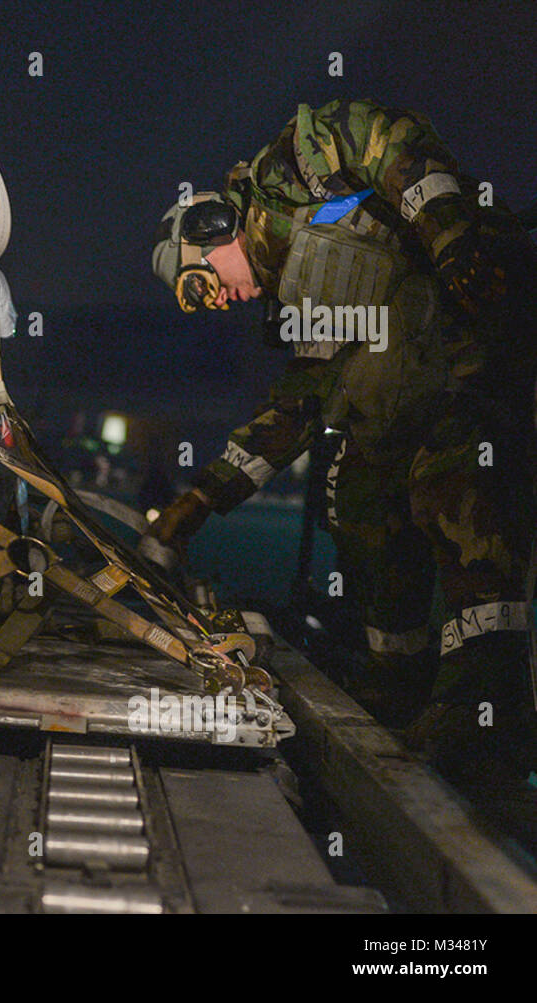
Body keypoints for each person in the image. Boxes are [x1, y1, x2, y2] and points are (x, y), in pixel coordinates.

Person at [146, 98, 537, 789]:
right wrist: (199, 503)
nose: (218, 302)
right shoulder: (300, 296)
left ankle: (482, 707)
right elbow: (298, 405)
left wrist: (450, 242)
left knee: (452, 483)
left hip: (479, 351)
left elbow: (391, 142)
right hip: (415, 388)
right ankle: (402, 683)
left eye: (202, 283)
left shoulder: (290, 171)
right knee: (357, 495)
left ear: (212, 231)